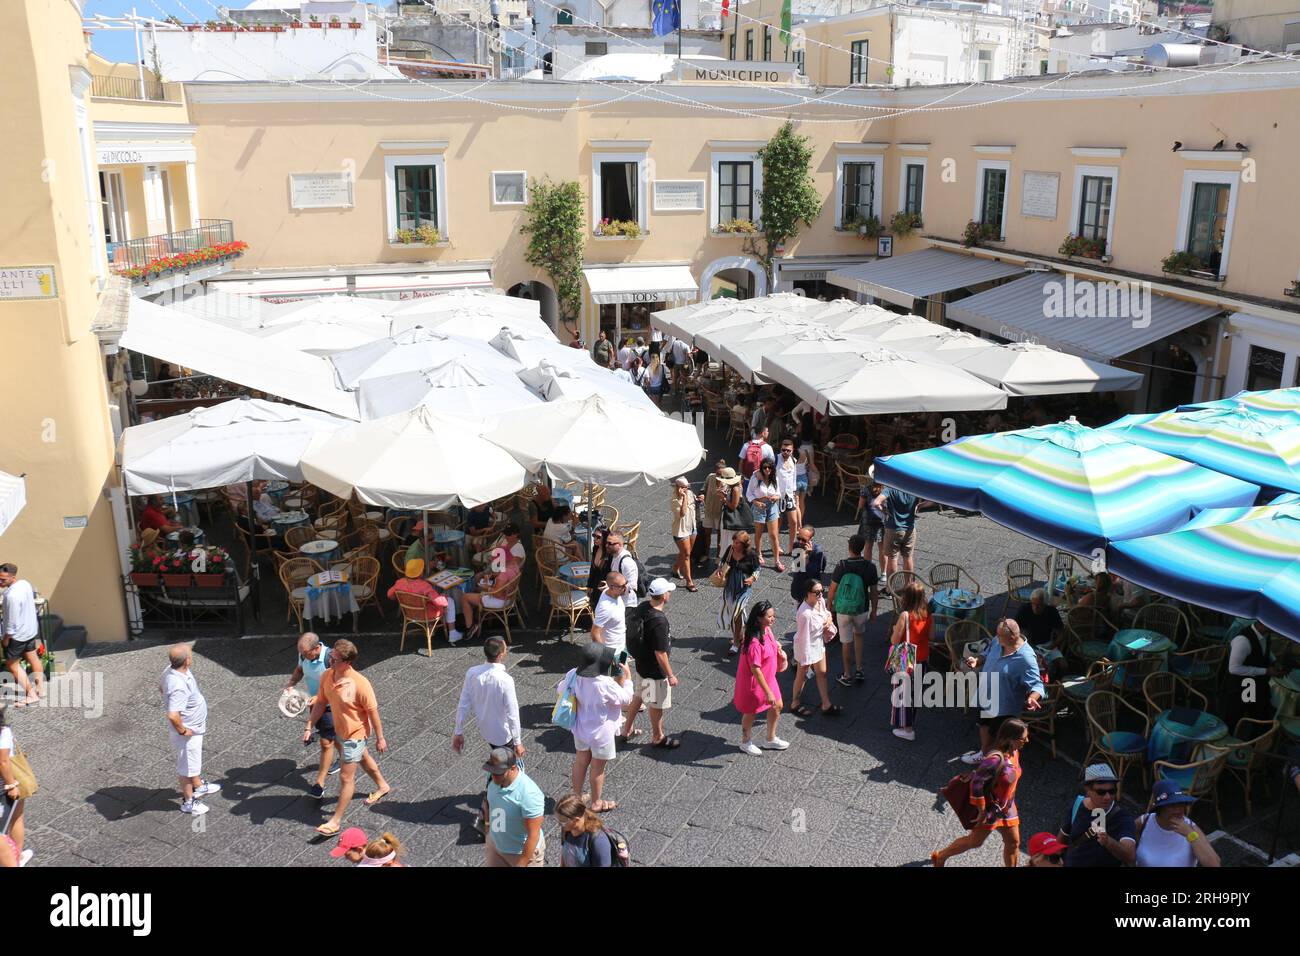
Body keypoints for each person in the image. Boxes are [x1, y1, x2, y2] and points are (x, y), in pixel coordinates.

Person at [308, 639, 391, 836]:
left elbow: (373, 713)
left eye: (335, 659)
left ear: (348, 662)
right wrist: (309, 726)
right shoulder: (327, 676)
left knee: (346, 777)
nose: (330, 660)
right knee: (363, 758)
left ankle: (335, 821)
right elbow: (321, 702)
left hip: (355, 734)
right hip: (340, 730)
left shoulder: (361, 684)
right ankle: (383, 785)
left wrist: (380, 738)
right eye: (330, 656)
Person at [932, 718, 1029, 868]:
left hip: (1007, 808)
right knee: (974, 842)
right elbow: (977, 783)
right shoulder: (995, 759)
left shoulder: (1014, 752)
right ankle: (941, 856)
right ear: (1009, 739)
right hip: (990, 810)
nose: (1027, 741)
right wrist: (982, 810)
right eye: (1023, 738)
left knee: (1014, 843)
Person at [453, 637, 524, 835]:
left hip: (486, 729)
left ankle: (491, 810)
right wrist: (518, 742)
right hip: (503, 735)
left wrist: (458, 731)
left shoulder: (473, 673)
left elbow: (463, 703)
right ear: (501, 654)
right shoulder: (505, 680)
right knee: (503, 775)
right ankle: (487, 815)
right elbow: (512, 713)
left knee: (501, 770)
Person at [559, 642, 633, 812]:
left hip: (579, 728)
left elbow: (560, 690)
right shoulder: (604, 683)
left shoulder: (573, 675)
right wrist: (627, 679)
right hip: (601, 733)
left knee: (580, 761)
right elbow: (626, 699)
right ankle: (596, 802)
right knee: (597, 768)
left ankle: (576, 797)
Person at [960, 618, 1044, 765]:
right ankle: (984, 753)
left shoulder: (1026, 658)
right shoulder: (998, 641)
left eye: (1000, 636)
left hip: (1004, 705)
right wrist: (977, 661)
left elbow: (1037, 684)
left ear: (1012, 637)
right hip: (986, 695)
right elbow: (985, 654)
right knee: (984, 724)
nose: (996, 638)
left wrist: (1032, 697)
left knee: (1000, 738)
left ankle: (995, 767)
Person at [160, 644, 221, 816]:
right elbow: (173, 715)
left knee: (192, 762)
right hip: (188, 732)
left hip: (193, 727)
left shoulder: (171, 669)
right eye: (190, 654)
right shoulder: (177, 685)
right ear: (187, 661)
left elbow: (160, 688)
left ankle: (199, 786)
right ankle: (188, 802)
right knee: (186, 767)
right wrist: (183, 731)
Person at [621, 578, 679, 749]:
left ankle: (626, 730)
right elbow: (660, 653)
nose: (670, 594)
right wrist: (670, 675)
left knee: (639, 695)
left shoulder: (643, 607)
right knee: (655, 704)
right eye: (668, 591)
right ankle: (658, 737)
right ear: (664, 596)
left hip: (641, 664)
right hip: (654, 671)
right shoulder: (659, 621)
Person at [285, 633, 339, 799]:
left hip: (332, 706)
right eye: (302, 654)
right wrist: (291, 684)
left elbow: (339, 684)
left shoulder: (331, 659)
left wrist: (321, 696)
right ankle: (346, 757)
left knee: (326, 742)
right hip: (316, 705)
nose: (304, 657)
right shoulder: (304, 655)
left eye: (307, 654)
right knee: (331, 736)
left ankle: (319, 783)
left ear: (317, 648)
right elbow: (300, 669)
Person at [734, 601, 788, 755]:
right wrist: (768, 692)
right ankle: (745, 742)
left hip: (769, 678)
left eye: (773, 615)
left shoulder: (767, 630)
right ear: (758, 618)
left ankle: (770, 739)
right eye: (769, 616)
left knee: (777, 706)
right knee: (751, 712)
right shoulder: (754, 643)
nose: (773, 619)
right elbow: (755, 670)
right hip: (755, 685)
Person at [1057, 763, 1137, 867]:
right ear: (1088, 790)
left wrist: (1108, 842)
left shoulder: (1123, 818)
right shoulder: (1077, 804)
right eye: (1101, 792)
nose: (1107, 797)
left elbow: (1130, 855)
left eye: (1112, 791)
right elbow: (1062, 837)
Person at [827, 533, 879, 687]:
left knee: (845, 642)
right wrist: (874, 610)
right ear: (862, 548)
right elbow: (874, 592)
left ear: (849, 547)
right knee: (859, 637)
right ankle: (859, 669)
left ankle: (847, 674)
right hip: (861, 609)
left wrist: (830, 605)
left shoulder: (841, 565)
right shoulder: (870, 567)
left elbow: (832, 589)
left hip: (843, 609)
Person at [1134, 780, 1221, 867]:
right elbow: (1128, 850)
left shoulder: (1191, 828)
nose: (1179, 810)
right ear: (1160, 808)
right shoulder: (1143, 822)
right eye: (1172, 805)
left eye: (1181, 804)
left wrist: (1190, 834)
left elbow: (1215, 864)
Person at [483, 747, 546, 866]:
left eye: (498, 772)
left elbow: (534, 835)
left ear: (512, 768)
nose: (493, 775)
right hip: (495, 847)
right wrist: (488, 832)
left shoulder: (529, 794)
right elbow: (490, 804)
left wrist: (522, 864)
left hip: (520, 854)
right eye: (492, 770)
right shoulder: (493, 778)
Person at [1222, 620, 1287, 729]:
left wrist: (1274, 662)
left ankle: (1255, 739)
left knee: (1260, 714)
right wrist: (1266, 671)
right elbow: (1234, 668)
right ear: (1263, 623)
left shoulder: (1264, 634)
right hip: (1242, 685)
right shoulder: (1243, 640)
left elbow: (1264, 649)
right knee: (1235, 717)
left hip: (1256, 683)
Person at [790, 578, 840, 718]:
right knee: (802, 675)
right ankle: (795, 703)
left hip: (817, 643)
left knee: (822, 672)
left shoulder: (820, 602)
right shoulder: (805, 614)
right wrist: (807, 660)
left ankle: (826, 704)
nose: (820, 595)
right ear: (807, 593)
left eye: (821, 591)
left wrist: (828, 621)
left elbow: (826, 614)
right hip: (805, 646)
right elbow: (804, 637)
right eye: (816, 592)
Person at [888, 581, 931, 741]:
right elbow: (931, 635)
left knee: (903, 694)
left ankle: (907, 729)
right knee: (915, 693)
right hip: (923, 657)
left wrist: (894, 630)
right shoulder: (927, 612)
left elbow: (894, 640)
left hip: (907, 658)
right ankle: (911, 722)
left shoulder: (905, 615)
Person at [387, 558, 461, 644]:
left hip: (409, 614)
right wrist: (444, 597)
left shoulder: (400, 582)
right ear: (421, 572)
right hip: (426, 614)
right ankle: (453, 633)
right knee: (450, 601)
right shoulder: (424, 586)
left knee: (429, 602)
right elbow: (440, 602)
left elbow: (389, 595)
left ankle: (431, 627)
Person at [0, 565, 44, 705]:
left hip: (17, 636)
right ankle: (40, 689)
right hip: (30, 630)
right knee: (33, 658)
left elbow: (12, 623)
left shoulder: (11, 596)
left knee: (12, 665)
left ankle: (31, 695)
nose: (0, 582)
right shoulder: (25, 584)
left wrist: (6, 639)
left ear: (13, 577)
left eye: (2, 579)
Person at [461, 546, 522, 639]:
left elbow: (497, 593)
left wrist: (486, 587)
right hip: (510, 598)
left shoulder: (504, 574)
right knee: (476, 589)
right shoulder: (514, 566)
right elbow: (503, 584)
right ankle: (474, 615)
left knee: (465, 597)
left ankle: (470, 627)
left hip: (500, 601)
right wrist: (493, 578)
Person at [0, 704, 33, 866]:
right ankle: (15, 859)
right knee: (16, 818)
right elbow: (3, 761)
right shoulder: (3, 732)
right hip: (6, 783)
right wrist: (11, 785)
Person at [717, 531, 760, 655]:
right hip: (730, 585)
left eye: (737, 543)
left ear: (744, 544)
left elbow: (757, 569)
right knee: (732, 611)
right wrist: (720, 569)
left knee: (736, 612)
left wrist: (752, 578)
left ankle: (736, 642)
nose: (734, 544)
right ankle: (741, 634)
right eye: (734, 542)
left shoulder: (751, 554)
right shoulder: (730, 550)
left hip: (744, 587)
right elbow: (723, 561)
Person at [1015, 589, 1066, 679]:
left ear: (1045, 604)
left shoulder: (1052, 611)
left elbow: (1061, 633)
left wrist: (1053, 645)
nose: (1035, 607)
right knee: (1035, 667)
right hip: (1028, 645)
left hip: (1047, 645)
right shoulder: (1024, 609)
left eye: (1039, 605)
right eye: (1033, 604)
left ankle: (1056, 687)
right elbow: (1015, 629)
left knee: (1063, 665)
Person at [556, 795, 619, 867]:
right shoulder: (567, 829)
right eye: (557, 820)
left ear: (576, 820)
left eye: (562, 821)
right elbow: (564, 854)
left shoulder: (598, 841)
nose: (559, 824)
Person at [747, 458, 784, 571]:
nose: (767, 469)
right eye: (764, 467)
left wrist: (776, 497)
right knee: (759, 533)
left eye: (769, 467)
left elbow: (779, 493)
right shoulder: (756, 478)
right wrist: (756, 502)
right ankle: (759, 554)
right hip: (759, 507)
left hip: (772, 506)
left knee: (773, 534)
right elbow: (749, 494)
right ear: (761, 468)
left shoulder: (775, 478)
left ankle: (777, 560)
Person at [879, 484, 919, 579]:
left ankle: (891, 589)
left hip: (893, 529)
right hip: (910, 529)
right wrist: (920, 505)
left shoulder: (890, 488)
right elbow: (932, 501)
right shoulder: (914, 488)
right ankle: (908, 586)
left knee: (892, 558)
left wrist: (883, 510)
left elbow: (877, 502)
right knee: (908, 557)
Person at [592, 571, 632, 658]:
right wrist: (606, 656)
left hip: (621, 646)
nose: (625, 588)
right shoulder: (606, 608)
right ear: (612, 587)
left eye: (626, 583)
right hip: (613, 652)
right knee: (623, 671)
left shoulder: (611, 591)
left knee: (626, 671)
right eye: (622, 586)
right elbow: (595, 633)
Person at [787, 525, 825, 614]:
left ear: (811, 539)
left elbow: (813, 572)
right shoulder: (796, 546)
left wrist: (807, 556)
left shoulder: (817, 552)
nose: (800, 542)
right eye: (798, 538)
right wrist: (806, 554)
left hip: (811, 590)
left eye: (804, 540)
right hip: (798, 587)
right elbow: (798, 567)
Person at [669, 477, 697, 591]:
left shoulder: (690, 492)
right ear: (677, 487)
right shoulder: (674, 500)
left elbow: (694, 503)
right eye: (682, 487)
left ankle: (675, 568)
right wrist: (684, 497)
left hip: (692, 527)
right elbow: (683, 513)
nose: (685, 490)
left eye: (686, 487)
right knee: (686, 555)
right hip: (680, 531)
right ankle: (689, 581)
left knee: (686, 552)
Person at [698, 460, 729, 565]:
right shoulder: (710, 477)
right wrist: (702, 494)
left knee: (720, 535)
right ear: (715, 472)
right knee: (707, 534)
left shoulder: (727, 481)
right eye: (718, 474)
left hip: (720, 512)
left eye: (722, 474)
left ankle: (719, 556)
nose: (720, 476)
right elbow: (703, 489)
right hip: (708, 511)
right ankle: (706, 554)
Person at [775, 439, 801, 554]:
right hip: (778, 495)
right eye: (783, 450)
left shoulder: (793, 460)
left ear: (792, 450)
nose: (785, 452)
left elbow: (794, 477)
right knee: (778, 523)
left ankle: (791, 547)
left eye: (788, 450)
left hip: (789, 495)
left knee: (794, 522)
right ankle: (777, 545)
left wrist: (795, 494)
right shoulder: (776, 459)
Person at [713, 466, 745, 558]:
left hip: (731, 519)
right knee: (726, 540)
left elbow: (733, 506)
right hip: (728, 517)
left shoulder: (735, 489)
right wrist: (725, 495)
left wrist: (724, 499)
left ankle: (729, 561)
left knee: (730, 541)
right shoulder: (732, 487)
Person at [855, 479, 887, 572]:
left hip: (868, 521)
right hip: (883, 521)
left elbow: (860, 505)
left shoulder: (866, 489)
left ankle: (867, 570)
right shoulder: (887, 489)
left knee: (868, 546)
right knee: (882, 548)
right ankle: (884, 573)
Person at [604, 531, 640, 607]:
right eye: (606, 542)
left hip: (627, 605)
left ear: (620, 545)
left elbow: (632, 585)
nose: (606, 545)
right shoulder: (614, 555)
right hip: (618, 601)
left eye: (610, 543)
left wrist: (610, 589)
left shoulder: (626, 563)